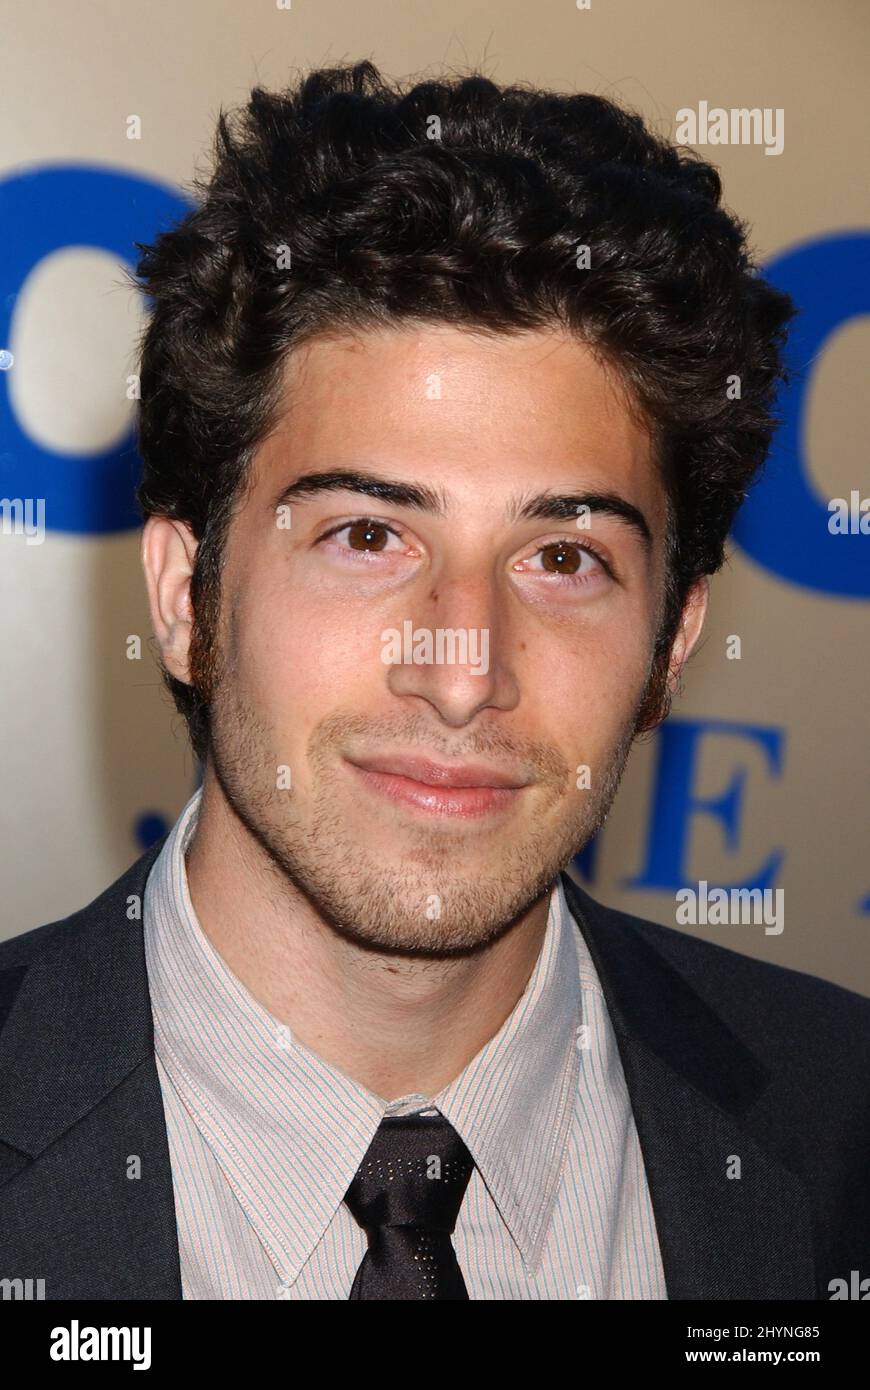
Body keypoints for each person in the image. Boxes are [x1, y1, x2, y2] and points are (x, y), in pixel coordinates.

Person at [1, 61, 867, 1301]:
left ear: (673, 639)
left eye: (564, 557)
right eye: (367, 537)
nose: (465, 674)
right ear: (187, 596)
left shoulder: (843, 1127)